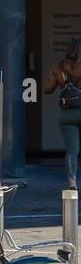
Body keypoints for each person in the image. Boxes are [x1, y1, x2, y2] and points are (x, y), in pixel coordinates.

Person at [43, 38, 81, 191]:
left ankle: (72, 183)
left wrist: (54, 73)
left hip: (67, 115)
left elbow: (46, 89)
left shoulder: (59, 67)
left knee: (72, 151)